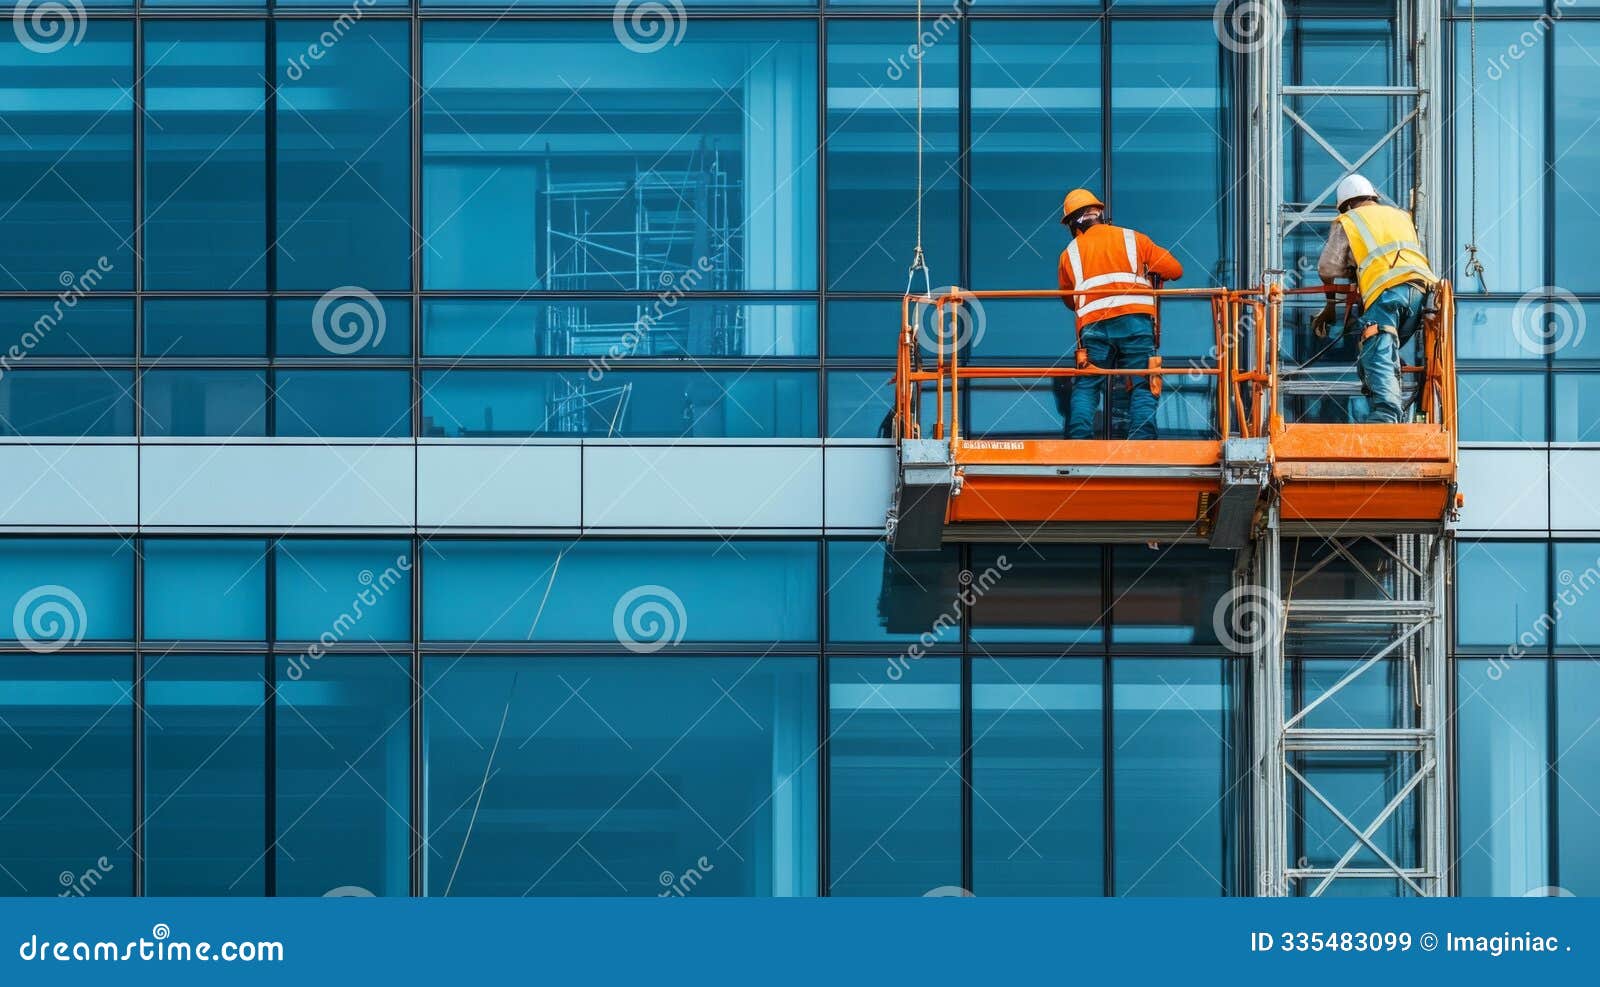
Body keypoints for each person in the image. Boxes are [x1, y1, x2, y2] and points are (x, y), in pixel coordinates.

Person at [1311, 174, 1439, 424]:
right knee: (1377, 351)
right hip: (1422, 292)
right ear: (1373, 197)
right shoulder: (1401, 216)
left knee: (1376, 348)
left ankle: (1386, 415)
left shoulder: (1348, 220)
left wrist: (1330, 307)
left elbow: (1327, 268)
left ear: (1346, 205)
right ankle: (1401, 410)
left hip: (1388, 290)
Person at [1056, 188, 1183, 440]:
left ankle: (1080, 442)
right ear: (1100, 213)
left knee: (1089, 384)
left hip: (1094, 326)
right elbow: (1174, 269)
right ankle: (1141, 441)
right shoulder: (1132, 239)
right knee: (1142, 383)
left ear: (1073, 224)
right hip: (1135, 322)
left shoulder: (1069, 254)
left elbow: (1069, 300)